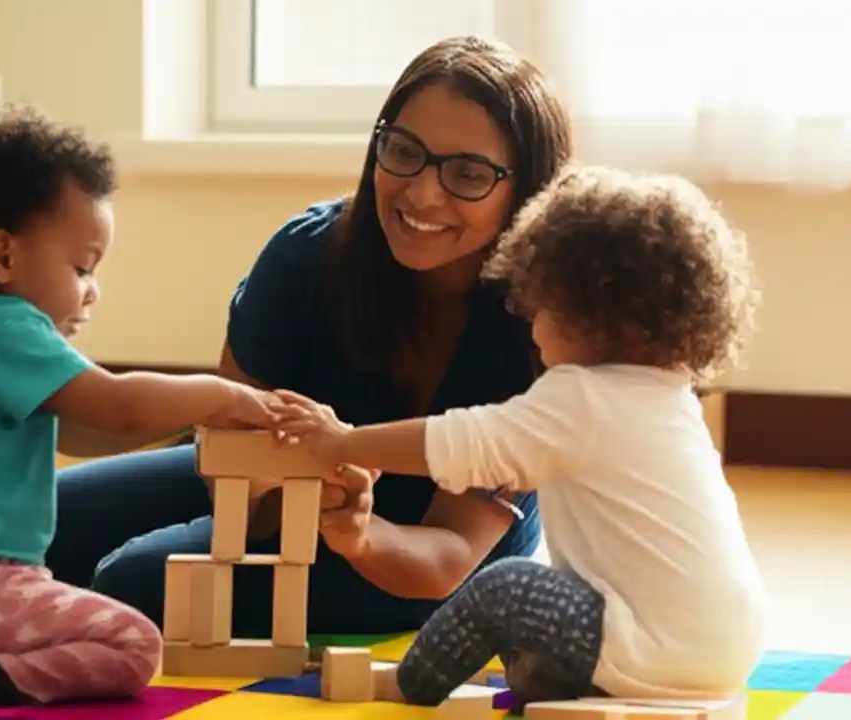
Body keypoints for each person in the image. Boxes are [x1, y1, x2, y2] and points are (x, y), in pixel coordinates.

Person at [46, 35, 574, 636]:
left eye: (468, 173)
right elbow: (227, 462)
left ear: (525, 190)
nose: (423, 193)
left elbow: (446, 556)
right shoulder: (308, 255)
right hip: (285, 490)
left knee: (130, 580)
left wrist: (354, 526)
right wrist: (282, 498)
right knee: (31, 522)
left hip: (439, 552)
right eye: (403, 151)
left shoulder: (539, 322)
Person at [0, 103, 286, 707]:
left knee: (72, 611)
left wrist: (189, 416)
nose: (92, 290)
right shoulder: (4, 328)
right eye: (82, 267)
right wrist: (223, 394)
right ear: (4, 257)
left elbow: (89, 433)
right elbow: (116, 405)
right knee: (134, 643)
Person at [274, 164, 767, 710]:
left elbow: (459, 444)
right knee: (540, 599)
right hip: (728, 649)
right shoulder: (670, 397)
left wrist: (341, 444)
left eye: (539, 307)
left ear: (581, 314)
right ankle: (567, 682)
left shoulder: (581, 398)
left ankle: (411, 684)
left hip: (654, 648)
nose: (530, 327)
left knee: (506, 587)